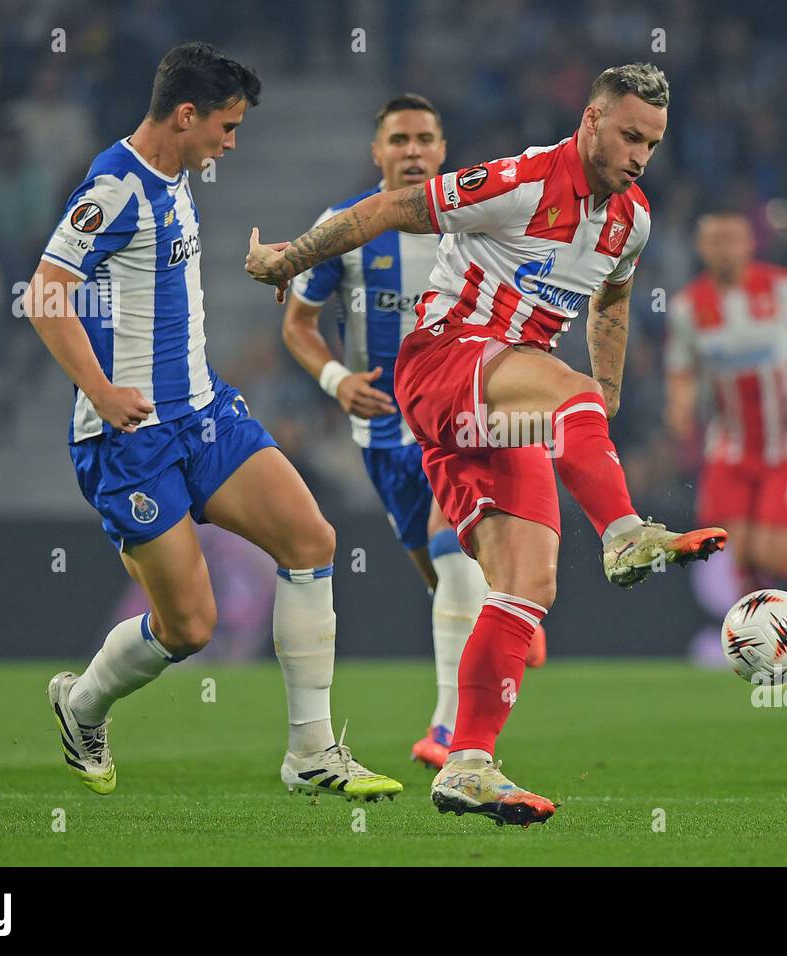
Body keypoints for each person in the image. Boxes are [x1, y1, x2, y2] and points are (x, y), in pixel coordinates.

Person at [248, 63, 727, 827]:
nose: (641, 154)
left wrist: (599, 401)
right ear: (592, 120)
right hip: (444, 361)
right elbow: (391, 206)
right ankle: (627, 536)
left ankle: (467, 761)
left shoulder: (630, 220)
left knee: (526, 590)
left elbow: (612, 302)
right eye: (630, 135)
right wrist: (288, 258)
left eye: (654, 143)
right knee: (563, 400)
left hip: (502, 407)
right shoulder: (522, 181)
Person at [27, 42, 401, 801]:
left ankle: (311, 754)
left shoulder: (175, 177)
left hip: (204, 415)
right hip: (130, 438)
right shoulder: (116, 186)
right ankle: (82, 703)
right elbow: (44, 292)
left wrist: (270, 265)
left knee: (312, 539)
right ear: (186, 115)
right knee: (190, 627)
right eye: (226, 127)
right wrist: (99, 391)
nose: (232, 143)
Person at [281, 93, 546, 772]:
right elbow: (299, 325)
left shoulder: (475, 221)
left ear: (442, 149)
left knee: (449, 545)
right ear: (377, 153)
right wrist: (337, 380)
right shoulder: (344, 227)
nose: (412, 151)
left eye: (424, 138)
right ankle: (505, 613)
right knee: (440, 570)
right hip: (385, 436)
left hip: (461, 414)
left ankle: (451, 730)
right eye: (398, 140)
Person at [665, 211, 787, 599]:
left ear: (750, 244)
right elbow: (681, 369)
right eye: (715, 241)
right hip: (732, 440)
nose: (724, 250)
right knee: (731, 548)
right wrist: (680, 407)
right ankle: (760, 639)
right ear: (701, 248)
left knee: (772, 554)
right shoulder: (689, 307)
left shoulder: (786, 287)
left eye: (732, 239)